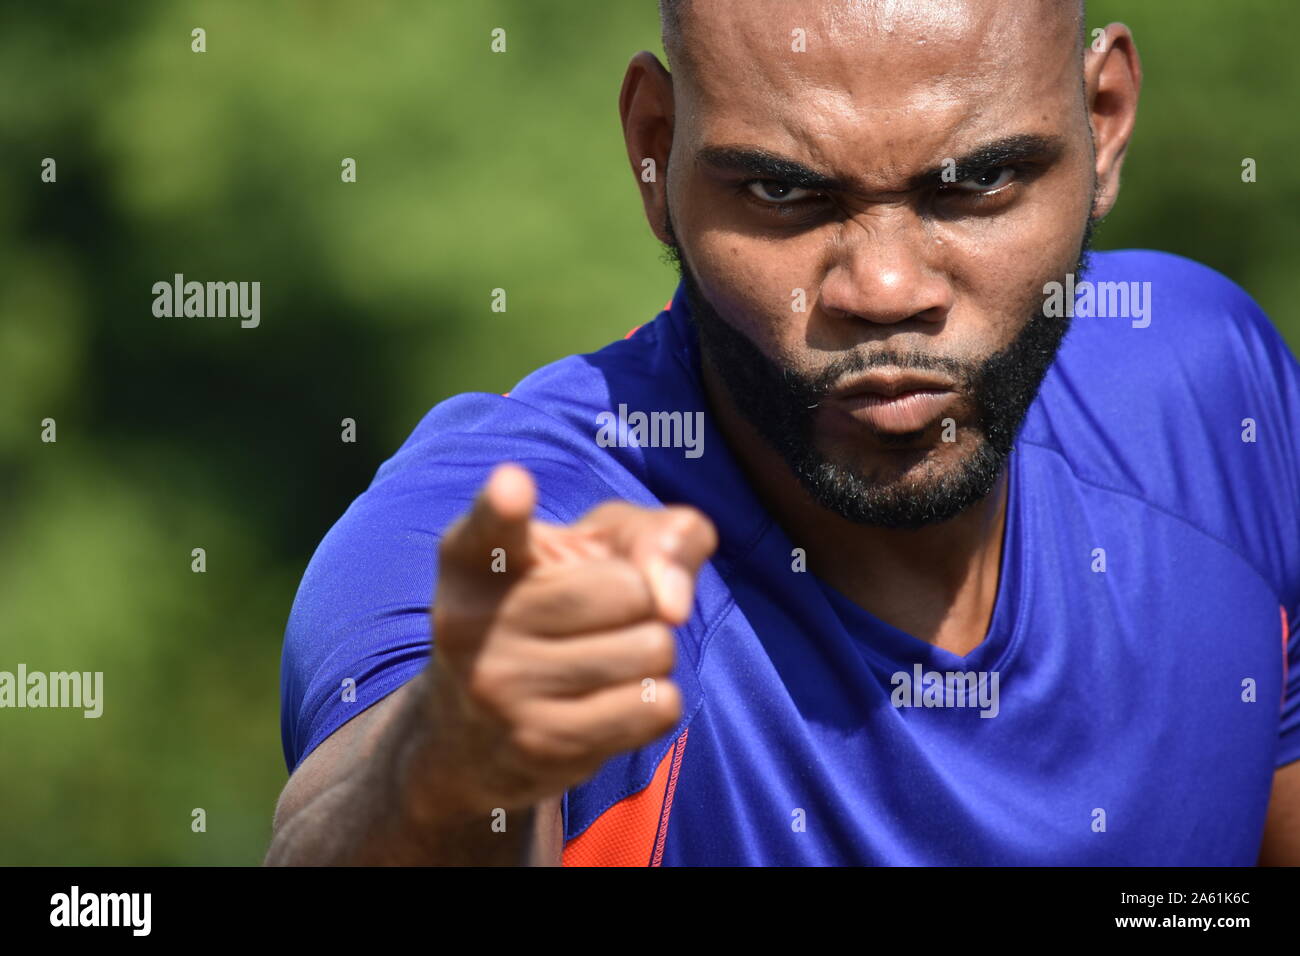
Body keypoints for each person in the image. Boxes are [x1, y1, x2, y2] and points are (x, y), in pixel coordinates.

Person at [266, 0, 1300, 865]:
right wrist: (444, 761)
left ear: (1104, 120)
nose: (885, 288)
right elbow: (336, 821)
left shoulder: (1208, 393)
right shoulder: (519, 531)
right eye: (784, 192)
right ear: (653, 153)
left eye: (975, 183)